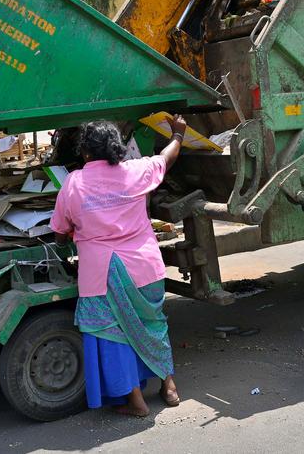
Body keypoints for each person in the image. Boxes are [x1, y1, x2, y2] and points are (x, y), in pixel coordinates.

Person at [50, 116, 188, 417]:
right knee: (154, 324)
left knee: (113, 334)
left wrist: (76, 231)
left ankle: (136, 401)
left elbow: (59, 235)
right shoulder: (137, 171)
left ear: (85, 152)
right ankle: (169, 385)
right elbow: (166, 158)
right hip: (144, 267)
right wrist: (178, 134)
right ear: (117, 148)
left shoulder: (73, 184)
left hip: (100, 274)